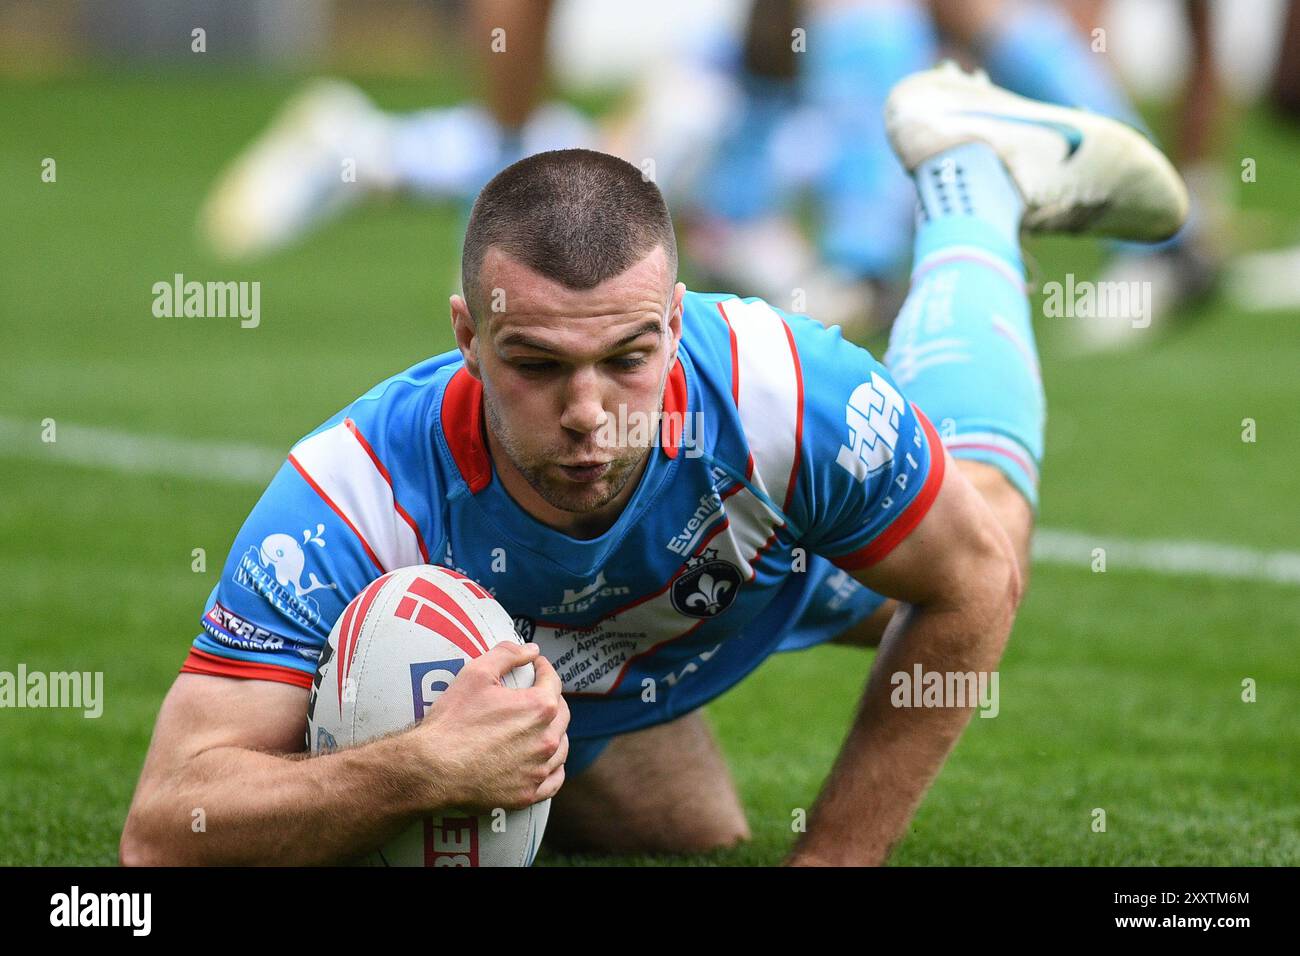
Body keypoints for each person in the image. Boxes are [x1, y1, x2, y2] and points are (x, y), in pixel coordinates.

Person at [121, 63, 1186, 866]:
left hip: (755, 560)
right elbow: (165, 825)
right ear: (466, 336)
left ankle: (969, 178)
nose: (590, 415)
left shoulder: (781, 394)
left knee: (985, 534)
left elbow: (971, 584)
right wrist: (423, 765)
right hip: (567, 658)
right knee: (693, 832)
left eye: (627, 358)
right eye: (536, 363)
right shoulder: (351, 500)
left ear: (676, 324)